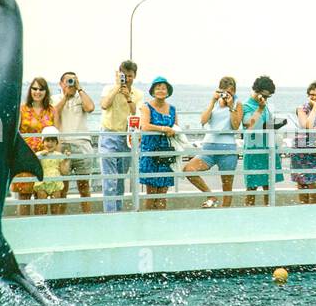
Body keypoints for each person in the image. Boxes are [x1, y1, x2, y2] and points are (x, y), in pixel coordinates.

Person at [183, 76, 243, 208]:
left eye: (230, 91)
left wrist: (231, 106)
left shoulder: (238, 104)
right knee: (189, 170)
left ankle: (225, 214)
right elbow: (203, 120)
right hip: (209, 147)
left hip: (228, 148)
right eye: (224, 91)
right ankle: (211, 195)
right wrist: (212, 101)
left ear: (234, 91)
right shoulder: (214, 103)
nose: (227, 94)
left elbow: (235, 125)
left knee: (227, 186)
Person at [99, 60, 145, 213]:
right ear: (119, 74)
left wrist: (128, 97)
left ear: (135, 76)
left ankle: (118, 212)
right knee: (109, 178)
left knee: (120, 180)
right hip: (109, 135)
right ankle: (110, 214)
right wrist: (118, 87)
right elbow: (104, 104)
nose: (128, 79)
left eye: (130, 76)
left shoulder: (138, 94)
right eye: (124, 75)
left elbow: (135, 113)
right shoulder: (108, 89)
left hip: (127, 137)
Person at [55, 71, 96, 214]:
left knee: (84, 188)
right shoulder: (55, 99)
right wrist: (65, 97)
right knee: (62, 188)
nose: (70, 83)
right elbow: (54, 113)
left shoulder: (81, 97)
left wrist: (79, 88)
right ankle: (60, 219)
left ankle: (87, 217)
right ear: (61, 84)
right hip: (63, 145)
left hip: (82, 145)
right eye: (68, 81)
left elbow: (90, 108)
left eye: (73, 80)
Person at [14, 77, 56, 216]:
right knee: (24, 196)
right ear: (30, 90)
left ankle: (41, 230)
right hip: (25, 156)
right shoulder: (22, 109)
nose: (37, 92)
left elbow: (57, 134)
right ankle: (23, 227)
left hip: (44, 158)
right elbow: (15, 133)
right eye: (35, 88)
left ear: (46, 92)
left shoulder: (51, 111)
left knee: (41, 196)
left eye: (41, 89)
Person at [240, 76, 282, 206]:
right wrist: (260, 108)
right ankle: (249, 213)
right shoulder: (246, 106)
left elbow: (264, 123)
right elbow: (248, 124)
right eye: (263, 95)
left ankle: (269, 211)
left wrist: (274, 124)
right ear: (256, 91)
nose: (265, 99)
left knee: (269, 186)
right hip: (254, 150)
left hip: (268, 148)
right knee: (251, 186)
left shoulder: (266, 106)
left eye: (268, 97)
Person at [138, 77, 177, 210]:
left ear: (168, 91)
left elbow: (176, 127)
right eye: (158, 87)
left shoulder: (172, 109)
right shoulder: (146, 107)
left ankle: (161, 221)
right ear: (153, 91)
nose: (161, 90)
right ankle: (148, 222)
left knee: (162, 193)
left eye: (163, 88)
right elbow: (144, 126)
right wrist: (163, 129)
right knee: (151, 192)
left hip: (166, 153)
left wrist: (174, 131)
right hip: (150, 152)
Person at [33, 125, 70, 215]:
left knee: (55, 208)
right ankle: (43, 223)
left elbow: (64, 171)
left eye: (53, 141)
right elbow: (34, 167)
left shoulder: (58, 155)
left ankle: (55, 223)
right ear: (43, 142)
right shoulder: (39, 154)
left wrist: (66, 160)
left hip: (55, 183)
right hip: (42, 183)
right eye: (47, 140)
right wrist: (40, 156)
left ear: (57, 143)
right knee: (42, 208)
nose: (50, 144)